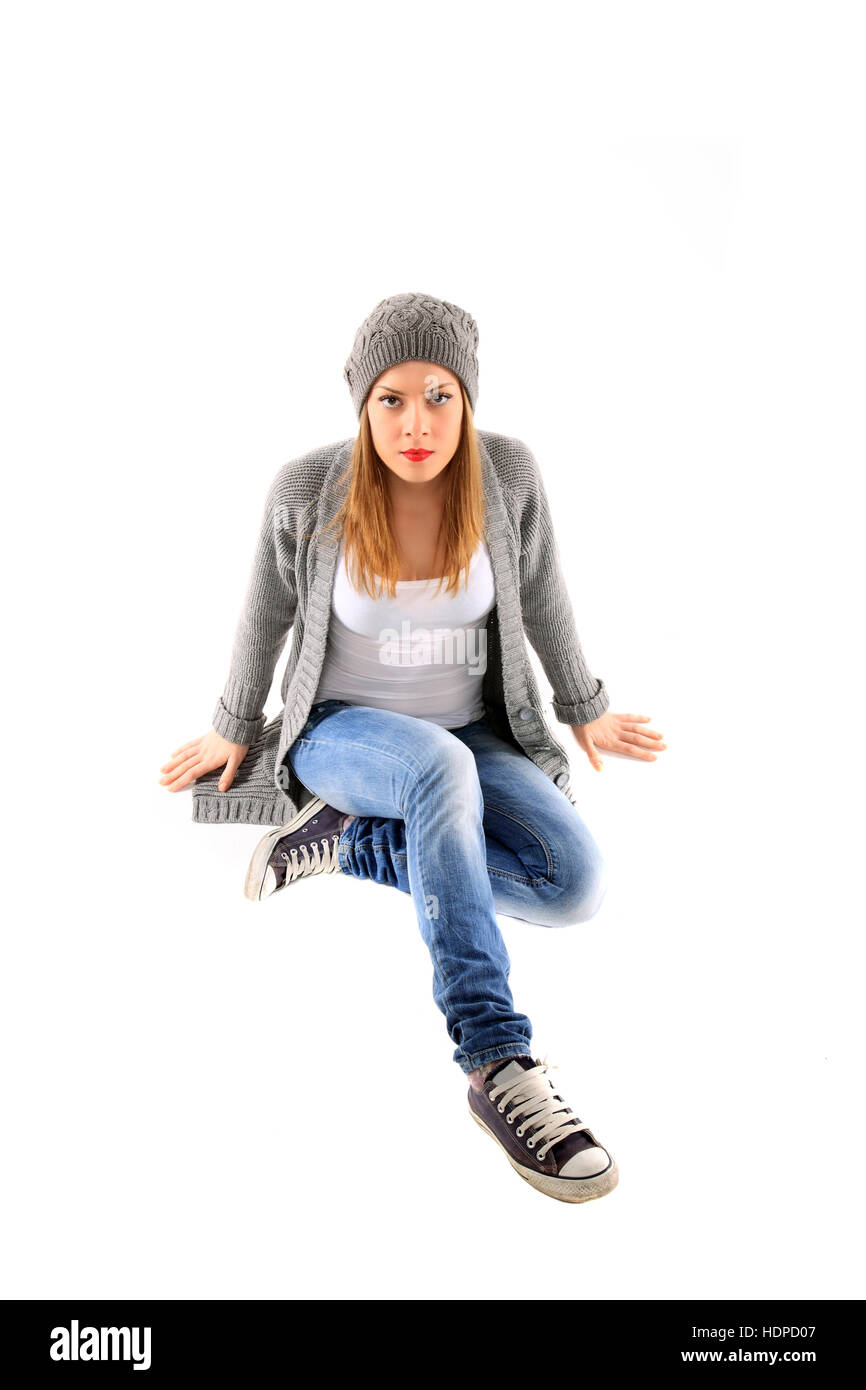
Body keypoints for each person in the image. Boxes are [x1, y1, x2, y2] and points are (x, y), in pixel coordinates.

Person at [159, 291, 667, 1204]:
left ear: (469, 399)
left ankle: (349, 843)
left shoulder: (508, 477)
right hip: (343, 733)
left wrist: (583, 706)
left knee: (574, 885)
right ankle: (497, 1062)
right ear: (361, 404)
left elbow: (545, 594)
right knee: (440, 771)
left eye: (439, 395)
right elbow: (266, 614)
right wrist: (235, 726)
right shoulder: (308, 489)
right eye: (391, 399)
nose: (416, 422)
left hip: (474, 729)